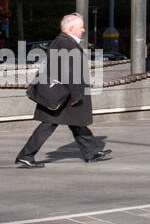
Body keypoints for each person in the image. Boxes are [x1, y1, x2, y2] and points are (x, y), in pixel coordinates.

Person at [14, 13, 112, 168]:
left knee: (76, 123)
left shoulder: (62, 42)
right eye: (81, 27)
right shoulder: (66, 44)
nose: (84, 30)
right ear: (72, 28)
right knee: (49, 124)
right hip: (65, 94)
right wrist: (75, 95)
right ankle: (26, 155)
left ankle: (91, 151)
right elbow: (70, 72)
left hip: (60, 92)